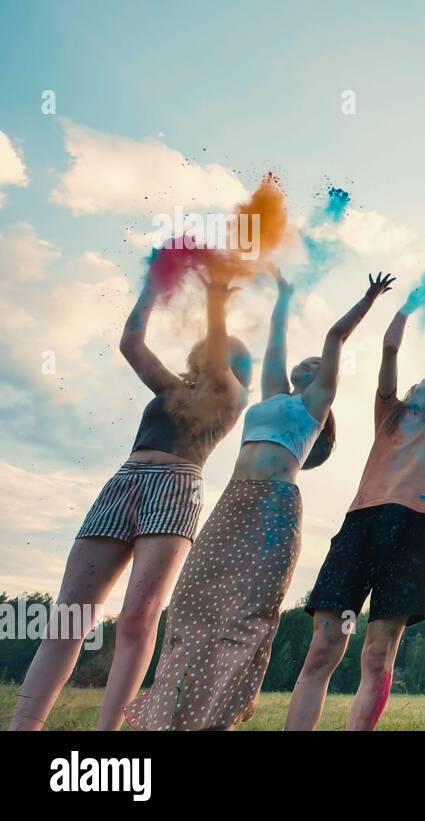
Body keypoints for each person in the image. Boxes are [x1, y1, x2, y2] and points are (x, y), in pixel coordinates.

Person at [124, 271, 393, 730]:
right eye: (303, 361)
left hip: (274, 508)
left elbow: (334, 336)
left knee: (247, 617)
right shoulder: (272, 396)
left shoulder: (315, 405)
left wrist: (367, 298)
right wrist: (285, 296)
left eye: (315, 363)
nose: (307, 363)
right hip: (233, 500)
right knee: (190, 605)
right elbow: (275, 342)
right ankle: (170, 718)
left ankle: (217, 721)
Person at [8, 273, 251, 731]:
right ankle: (24, 725)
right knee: (70, 614)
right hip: (124, 481)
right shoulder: (170, 390)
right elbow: (131, 342)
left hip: (176, 486)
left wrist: (217, 301)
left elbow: (221, 367)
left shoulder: (233, 399)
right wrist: (151, 289)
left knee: (138, 615)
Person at [283, 272, 425, 731]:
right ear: (405, 396)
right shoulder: (387, 415)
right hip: (362, 523)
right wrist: (407, 307)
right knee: (324, 648)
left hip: (414, 531)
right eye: (418, 383)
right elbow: (391, 350)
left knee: (377, 656)